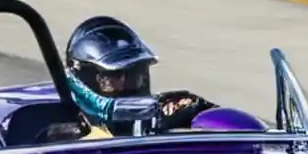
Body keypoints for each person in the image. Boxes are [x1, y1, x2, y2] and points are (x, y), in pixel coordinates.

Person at [62, 16, 213, 137]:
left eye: (135, 75)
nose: (126, 85)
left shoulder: (163, 116)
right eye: (113, 78)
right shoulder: (63, 140)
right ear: (84, 80)